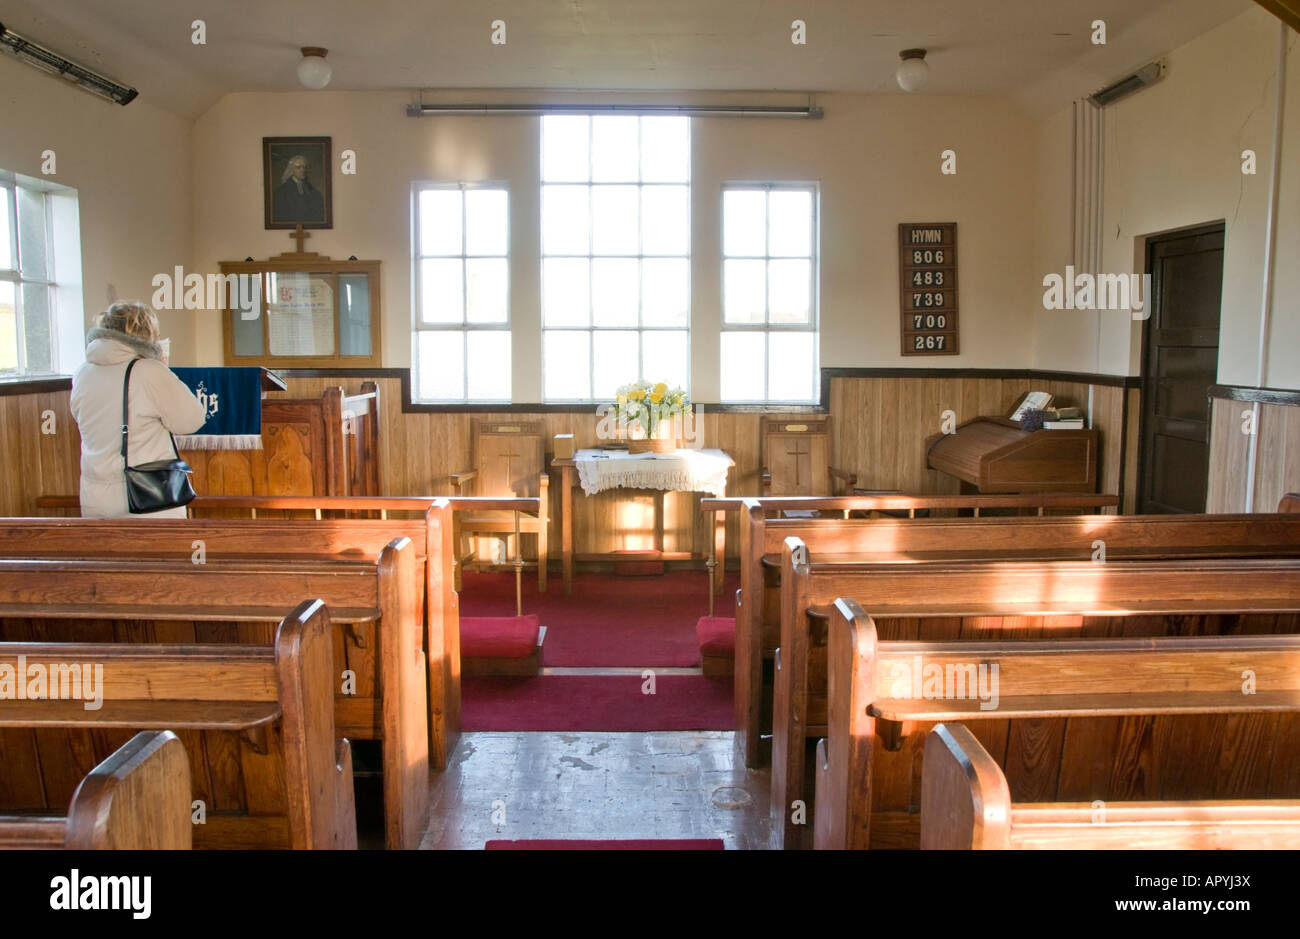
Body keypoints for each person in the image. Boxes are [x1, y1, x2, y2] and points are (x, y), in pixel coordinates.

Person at [69, 301, 207, 518]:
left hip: (95, 498)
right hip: (146, 497)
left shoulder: (82, 373)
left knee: (105, 543)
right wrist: (162, 369)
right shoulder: (148, 371)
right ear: (146, 334)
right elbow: (191, 420)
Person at [272, 154, 325, 223]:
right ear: (291, 170)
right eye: (298, 167)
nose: (303, 170)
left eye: (304, 167)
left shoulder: (312, 190)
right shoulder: (281, 191)